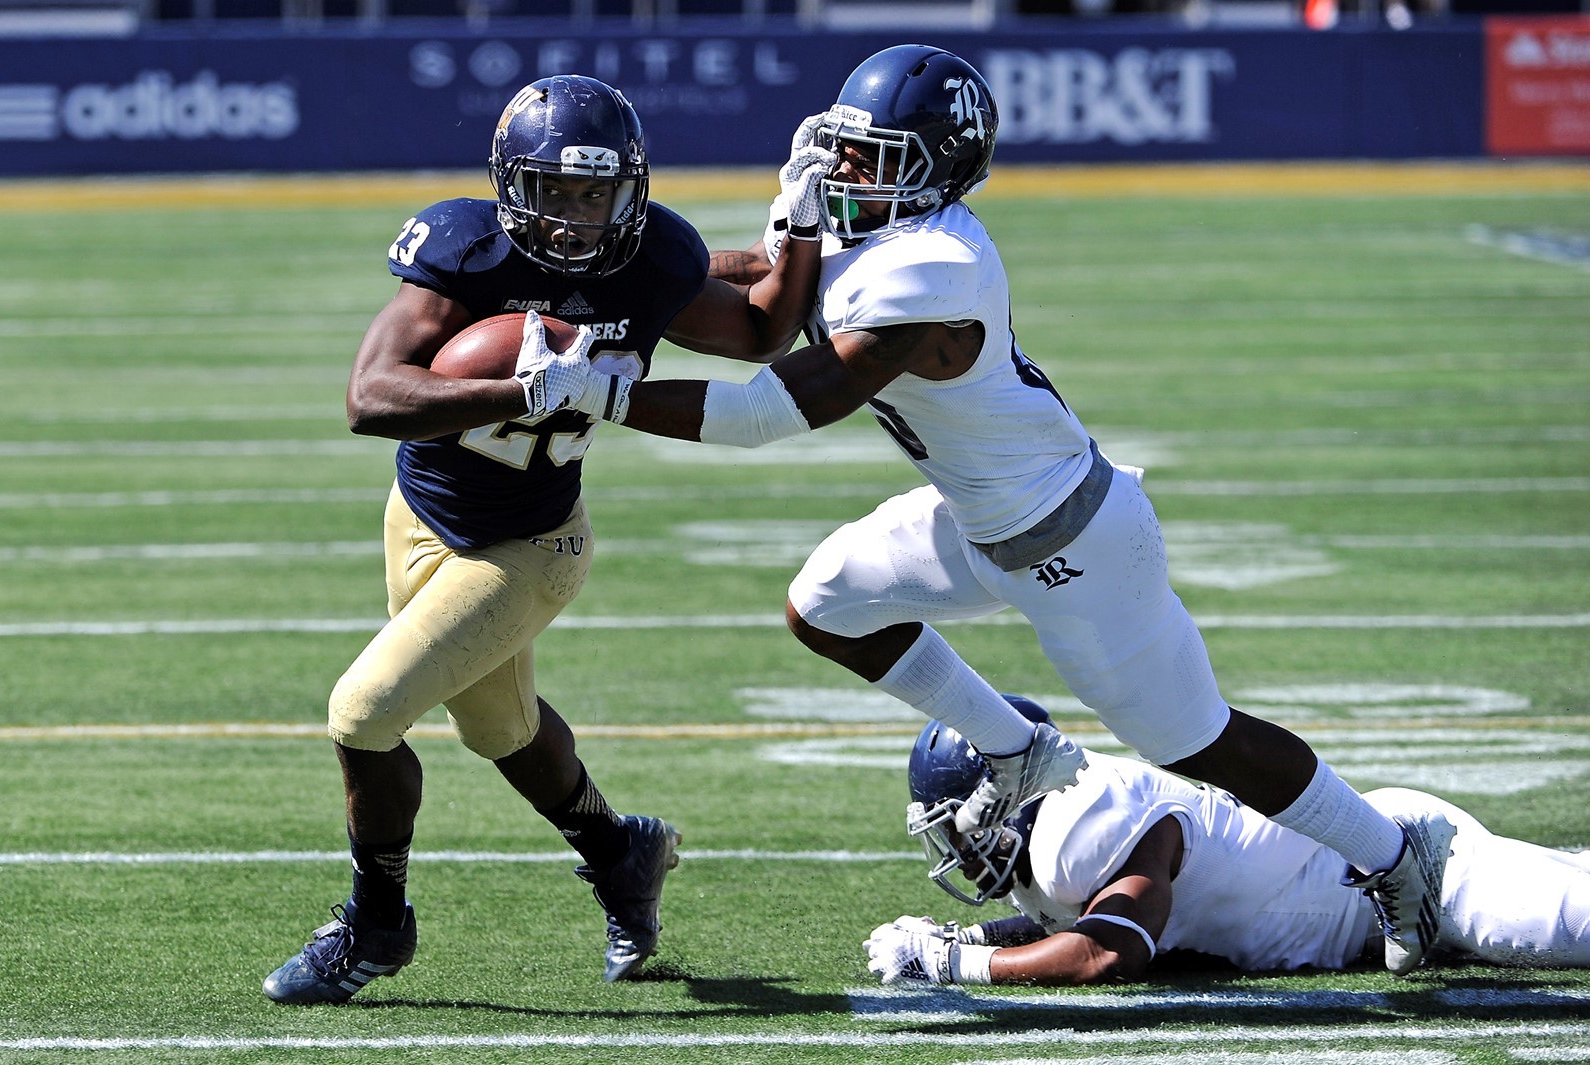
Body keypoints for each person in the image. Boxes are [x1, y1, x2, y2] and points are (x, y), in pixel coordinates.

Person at [510, 44, 1454, 975]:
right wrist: (615, 271)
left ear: (935, 173)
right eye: (844, 146)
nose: (844, 169)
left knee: (1194, 739)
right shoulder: (881, 224)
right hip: (974, 520)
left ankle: (1389, 855)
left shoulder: (934, 266)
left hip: (1075, 544)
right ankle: (1015, 747)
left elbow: (775, 409)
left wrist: (603, 390)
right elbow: (755, 275)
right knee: (826, 605)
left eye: (872, 157)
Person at [261, 74, 830, 1004]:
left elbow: (762, 328)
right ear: (508, 185)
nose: (572, 217)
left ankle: (377, 923)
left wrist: (799, 233)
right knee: (502, 729)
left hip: (530, 545)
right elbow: (371, 398)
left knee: (363, 713)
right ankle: (623, 849)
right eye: (552, 192)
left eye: (592, 193)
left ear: (628, 190)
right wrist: (524, 391)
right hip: (420, 515)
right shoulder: (465, 250)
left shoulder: (651, 259)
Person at [863, 697, 1590, 985]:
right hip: (1369, 903)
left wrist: (952, 959)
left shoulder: (1084, 822)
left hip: (1417, 874)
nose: (953, 846)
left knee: (1574, 922)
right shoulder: (1054, 836)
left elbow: (1107, 948)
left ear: (1005, 797)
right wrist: (975, 929)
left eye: (954, 819)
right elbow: (1080, 916)